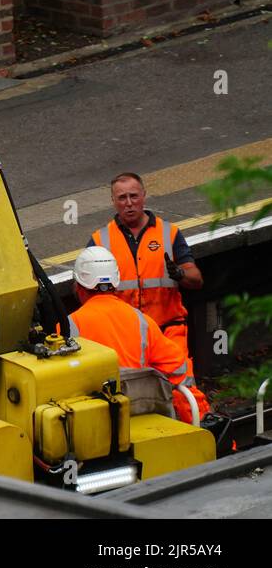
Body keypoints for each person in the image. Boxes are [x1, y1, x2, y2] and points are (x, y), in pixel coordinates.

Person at [66, 246, 211, 425]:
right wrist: (206, 425)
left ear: (78, 286)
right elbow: (178, 367)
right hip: (141, 411)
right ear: (116, 283)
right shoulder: (142, 321)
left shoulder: (68, 326)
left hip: (93, 423)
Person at [85, 171, 202, 359]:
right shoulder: (100, 240)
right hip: (124, 335)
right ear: (113, 201)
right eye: (122, 198)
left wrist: (179, 273)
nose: (129, 203)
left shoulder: (169, 233)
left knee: (180, 385)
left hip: (168, 331)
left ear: (144, 196)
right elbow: (82, 289)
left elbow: (196, 280)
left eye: (134, 196)